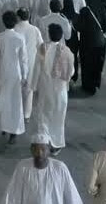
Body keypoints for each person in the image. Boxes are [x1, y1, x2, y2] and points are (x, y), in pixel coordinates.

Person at [2, 133, 83, 204]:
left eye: (43, 149)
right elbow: (13, 195)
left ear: (49, 150)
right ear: (31, 150)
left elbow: (72, 195)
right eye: (35, 150)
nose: (39, 153)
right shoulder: (23, 167)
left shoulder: (60, 168)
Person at [32, 23, 75, 153]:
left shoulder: (43, 48)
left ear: (49, 35)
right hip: (60, 90)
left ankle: (44, 142)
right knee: (58, 117)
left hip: (46, 88)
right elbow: (71, 72)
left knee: (44, 116)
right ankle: (56, 144)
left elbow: (36, 69)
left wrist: (33, 86)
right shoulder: (67, 52)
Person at [0, 11, 29, 142]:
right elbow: (24, 59)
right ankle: (14, 130)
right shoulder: (20, 38)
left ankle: (3, 126)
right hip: (16, 73)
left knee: (3, 100)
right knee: (16, 101)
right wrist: (25, 75)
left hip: (3, 72)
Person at [14, 8, 44, 118]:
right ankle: (26, 114)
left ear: (18, 17)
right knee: (29, 89)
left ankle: (17, 111)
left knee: (16, 88)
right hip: (31, 62)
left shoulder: (15, 29)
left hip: (17, 62)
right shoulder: (35, 29)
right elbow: (41, 46)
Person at [75, 6, 106, 95]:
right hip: (99, 43)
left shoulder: (84, 11)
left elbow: (79, 26)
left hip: (86, 43)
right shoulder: (101, 9)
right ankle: (95, 83)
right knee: (96, 64)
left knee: (86, 65)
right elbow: (105, 26)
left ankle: (87, 85)